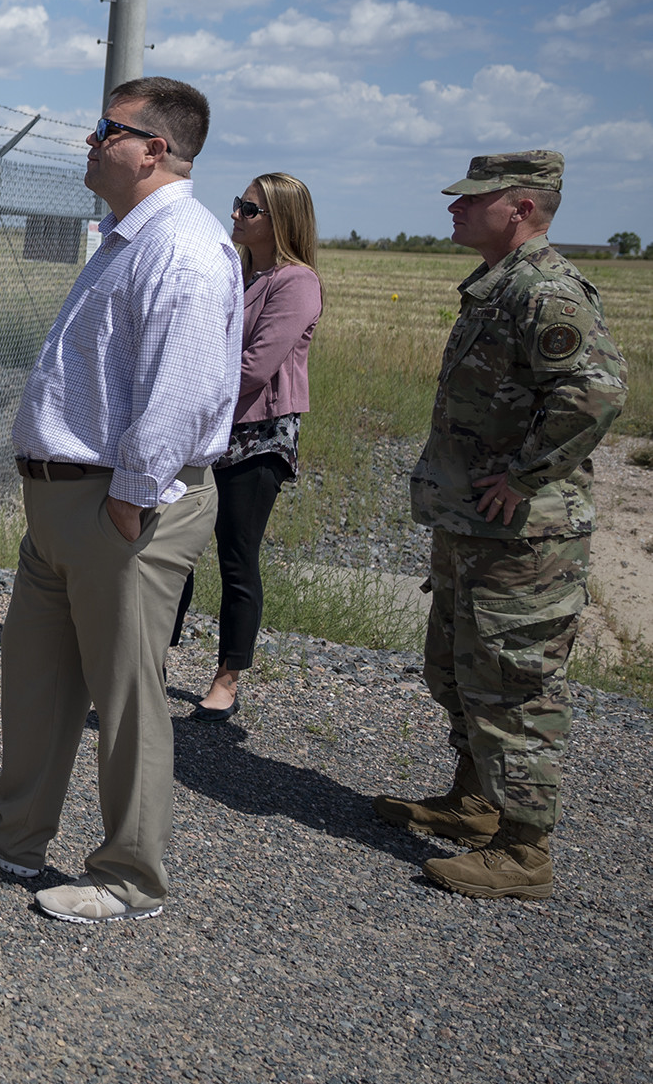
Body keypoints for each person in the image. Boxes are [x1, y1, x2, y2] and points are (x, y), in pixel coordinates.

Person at [0, 77, 241, 925]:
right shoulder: (124, 239)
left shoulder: (183, 247)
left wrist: (132, 501)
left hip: (122, 505)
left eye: (108, 129)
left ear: (155, 149)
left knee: (126, 695)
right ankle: (14, 830)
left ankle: (130, 875)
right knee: (37, 678)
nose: (91, 142)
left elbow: (183, 389)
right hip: (67, 505)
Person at [376, 151, 624, 901]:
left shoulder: (546, 289)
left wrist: (522, 477)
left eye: (471, 199)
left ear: (520, 207)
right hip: (475, 527)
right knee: (460, 671)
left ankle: (525, 852)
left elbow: (595, 392)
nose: (454, 208)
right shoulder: (500, 286)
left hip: (523, 537)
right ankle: (478, 804)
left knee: (513, 685)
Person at [173, 173, 323, 720]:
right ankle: (153, 659)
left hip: (256, 436)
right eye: (238, 204)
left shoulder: (297, 283)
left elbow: (255, 367)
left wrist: (183, 389)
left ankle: (227, 679)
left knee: (235, 557)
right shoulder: (237, 270)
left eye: (249, 209)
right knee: (175, 549)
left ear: (280, 220)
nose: (234, 213)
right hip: (209, 424)